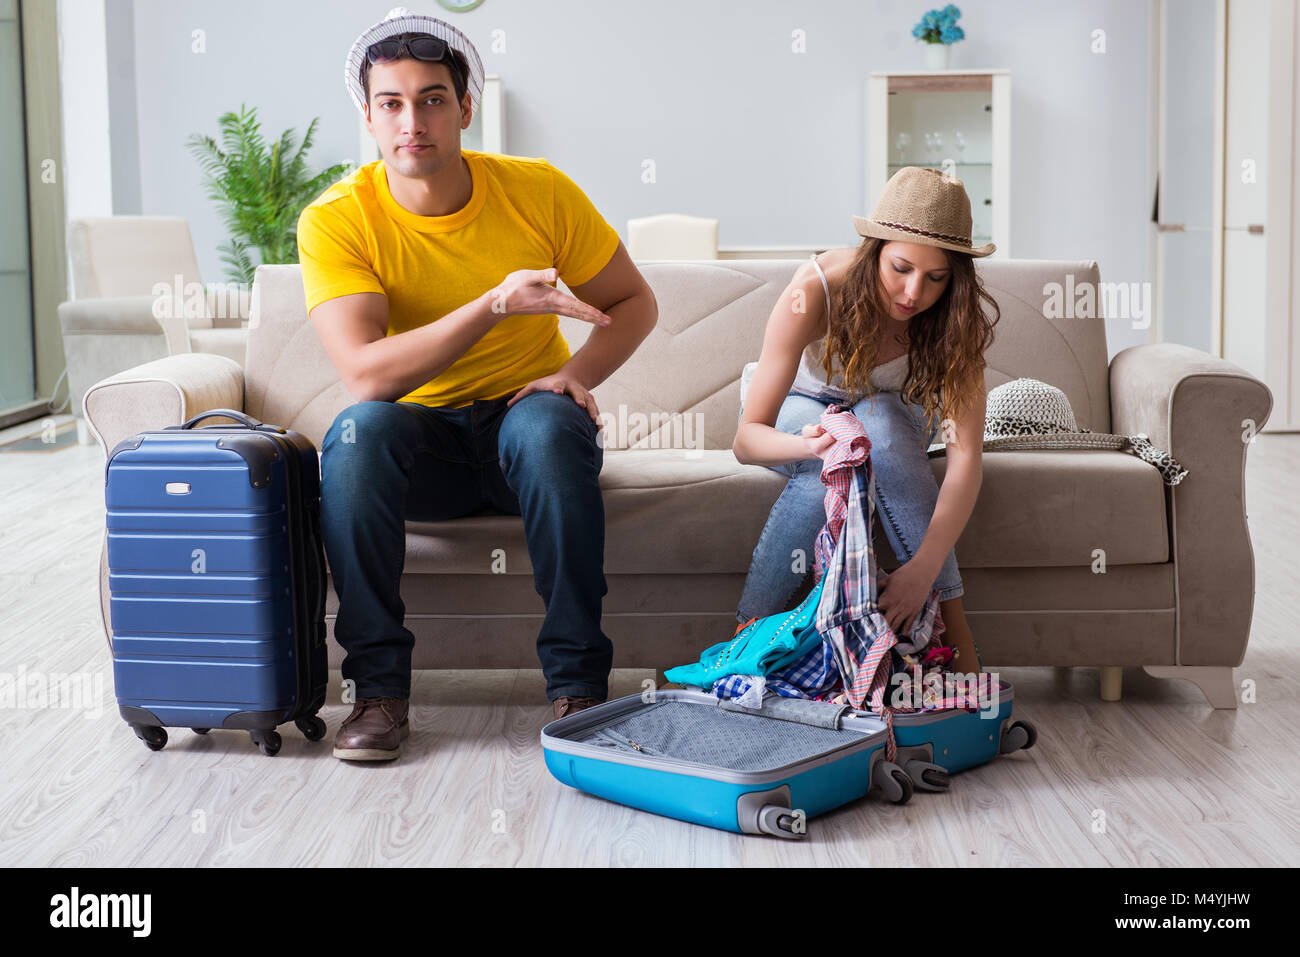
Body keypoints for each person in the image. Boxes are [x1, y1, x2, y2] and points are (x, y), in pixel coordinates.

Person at [298, 8, 657, 761]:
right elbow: (365, 374)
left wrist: (571, 374)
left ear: (466, 107)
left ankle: (580, 690)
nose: (411, 121)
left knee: (549, 422)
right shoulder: (338, 218)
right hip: (419, 448)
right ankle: (379, 695)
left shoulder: (539, 192)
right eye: (391, 103)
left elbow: (634, 302)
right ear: (367, 116)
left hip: (523, 438)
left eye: (432, 99)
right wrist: (496, 302)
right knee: (356, 435)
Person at [731, 166, 1000, 677]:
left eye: (936, 277)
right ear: (874, 248)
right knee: (827, 470)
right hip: (802, 405)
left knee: (878, 419)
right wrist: (814, 447)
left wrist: (921, 572)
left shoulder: (954, 320)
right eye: (900, 267)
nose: (914, 292)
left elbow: (967, 461)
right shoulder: (816, 290)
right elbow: (746, 439)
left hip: (889, 416)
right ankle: (746, 639)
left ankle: (955, 634)